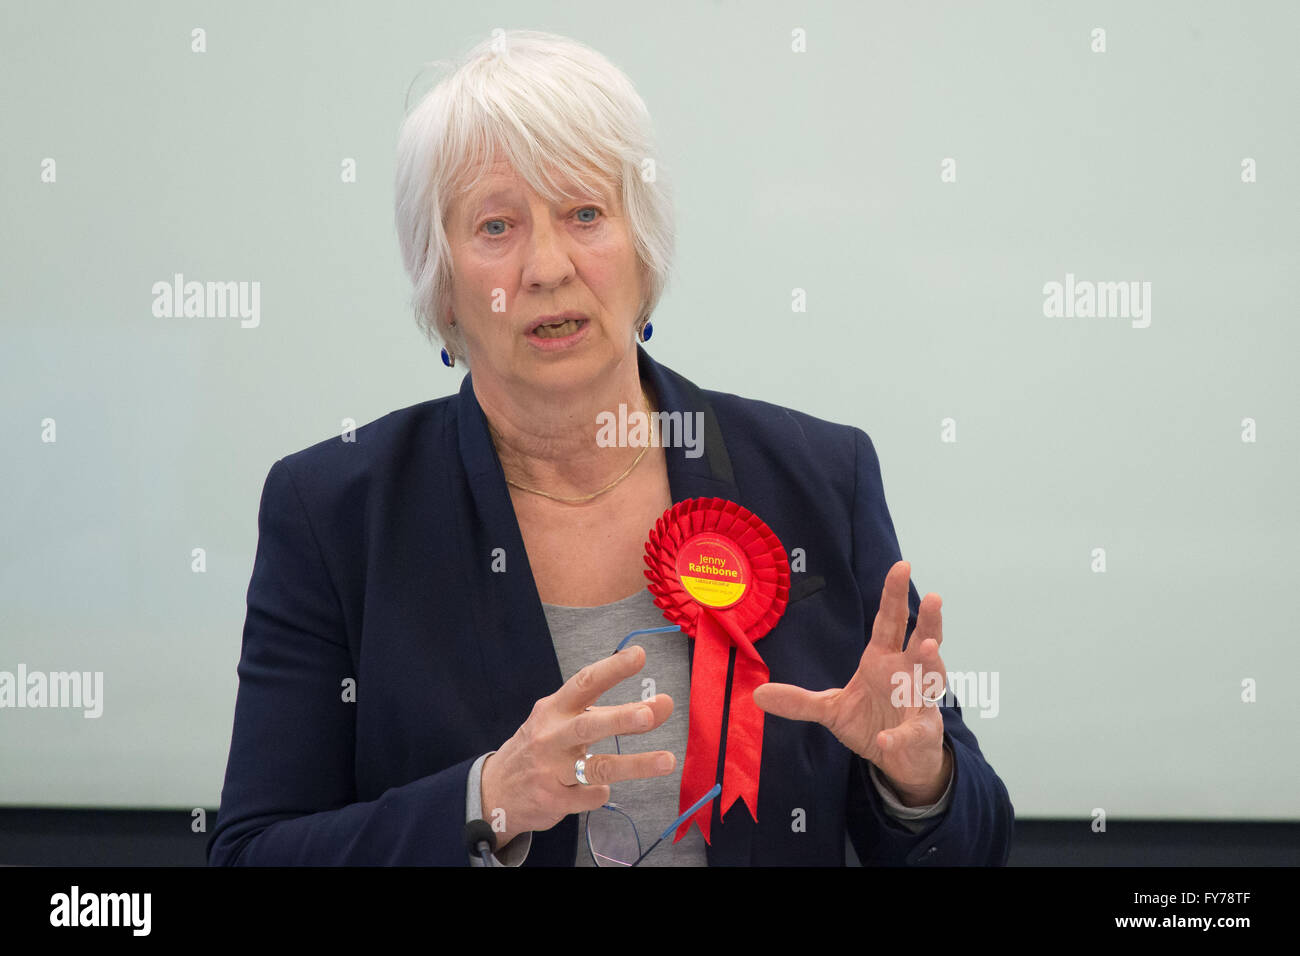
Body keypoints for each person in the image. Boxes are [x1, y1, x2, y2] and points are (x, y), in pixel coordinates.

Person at [207, 30, 1013, 867]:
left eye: (585, 214)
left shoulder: (816, 476)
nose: (548, 266)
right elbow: (252, 853)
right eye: (496, 226)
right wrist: (483, 800)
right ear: (440, 281)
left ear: (644, 248)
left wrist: (918, 784)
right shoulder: (334, 513)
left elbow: (974, 843)